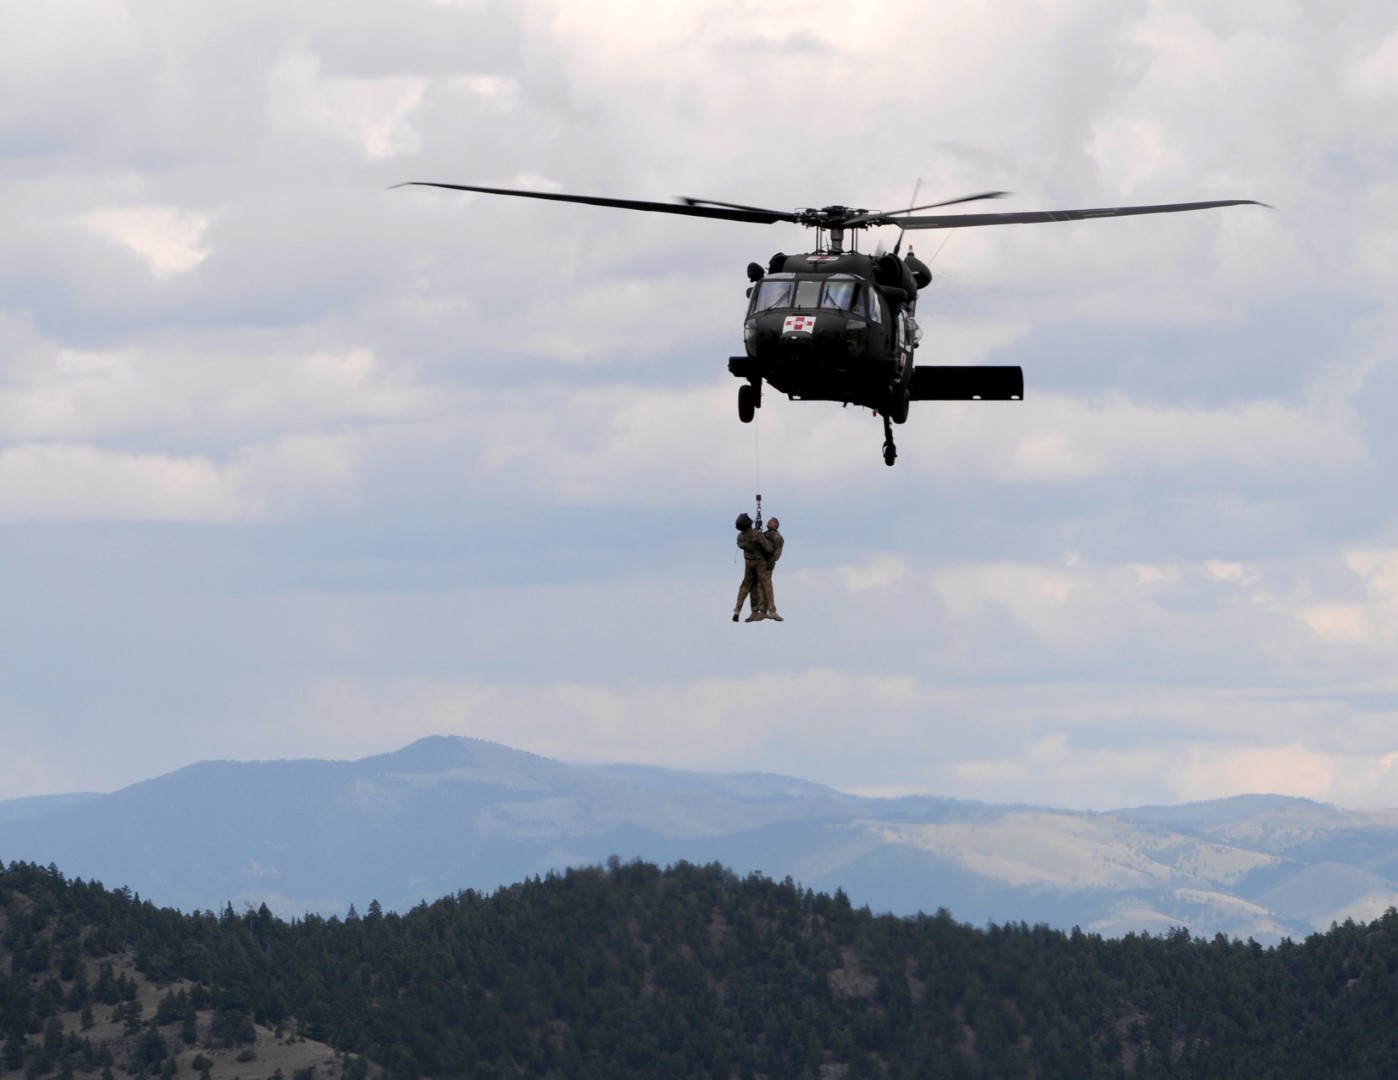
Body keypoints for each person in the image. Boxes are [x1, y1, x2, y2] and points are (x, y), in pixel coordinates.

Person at [733, 513, 772, 622]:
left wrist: (757, 528)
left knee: (745, 586)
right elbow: (768, 548)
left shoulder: (740, 536)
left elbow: (750, 535)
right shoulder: (757, 535)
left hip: (749, 564)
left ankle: (737, 610)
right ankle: (765, 609)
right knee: (762, 584)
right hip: (759, 563)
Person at [759, 516, 784, 622]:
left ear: (776, 525)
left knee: (767, 587)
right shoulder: (765, 534)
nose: (769, 521)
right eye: (769, 520)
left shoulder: (777, 537)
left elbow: (777, 552)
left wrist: (771, 562)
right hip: (760, 563)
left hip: (767, 563)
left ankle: (772, 610)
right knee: (760, 586)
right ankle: (763, 610)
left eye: (772, 521)